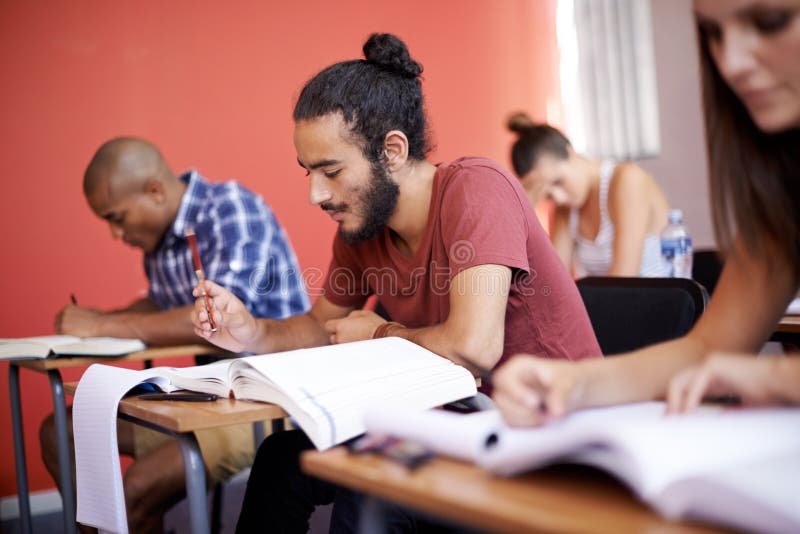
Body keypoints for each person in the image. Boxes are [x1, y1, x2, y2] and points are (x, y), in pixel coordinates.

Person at [191, 33, 601, 532]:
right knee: (283, 460)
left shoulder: (476, 189)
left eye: (332, 171)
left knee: (372, 490)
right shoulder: (363, 225)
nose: (315, 194)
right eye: (308, 173)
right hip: (459, 421)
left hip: (550, 436)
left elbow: (475, 348)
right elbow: (323, 327)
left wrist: (380, 334)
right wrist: (251, 332)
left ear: (392, 150)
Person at [493, 0, 800, 428]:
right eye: (712, 33)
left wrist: (776, 376)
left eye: (771, 22)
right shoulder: (781, 192)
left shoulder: (625, 181)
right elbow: (704, 350)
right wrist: (574, 381)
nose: (732, 63)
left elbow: (617, 285)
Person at [38, 137, 310, 533]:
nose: (116, 234)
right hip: (206, 394)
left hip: (268, 400)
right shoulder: (160, 241)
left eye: (117, 217)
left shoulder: (229, 207)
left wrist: (101, 326)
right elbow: (164, 306)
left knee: (136, 490)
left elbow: (216, 321)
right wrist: (103, 317)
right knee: (58, 431)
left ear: (154, 190)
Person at [506, 113, 670, 277]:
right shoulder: (567, 208)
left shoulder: (628, 179)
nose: (559, 198)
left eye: (558, 182)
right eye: (547, 195)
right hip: (611, 302)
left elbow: (624, 280)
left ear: (570, 152)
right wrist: (527, 210)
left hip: (659, 300)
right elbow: (549, 282)